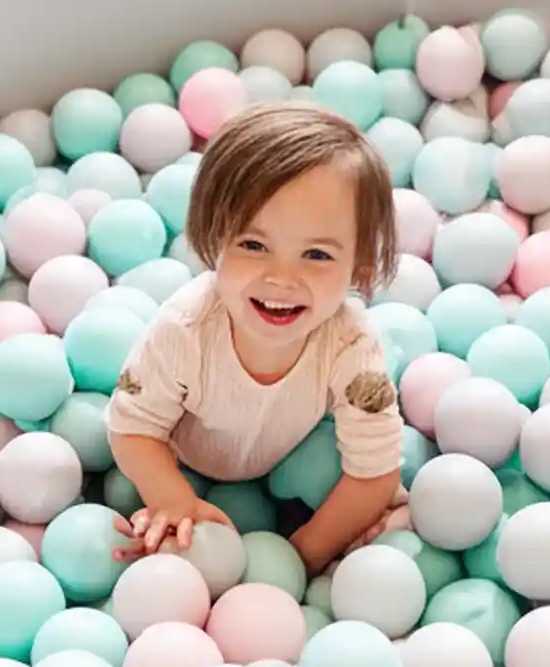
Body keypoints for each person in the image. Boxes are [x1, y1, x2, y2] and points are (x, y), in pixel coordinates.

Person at [106, 101, 407, 575]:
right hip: (185, 458)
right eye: (253, 245)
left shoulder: (351, 347)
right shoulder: (185, 330)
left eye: (317, 255)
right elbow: (133, 428)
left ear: (360, 266)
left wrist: (300, 556)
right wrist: (172, 499)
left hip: (292, 456)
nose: (282, 278)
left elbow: (373, 474)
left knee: (344, 474)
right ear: (215, 235)